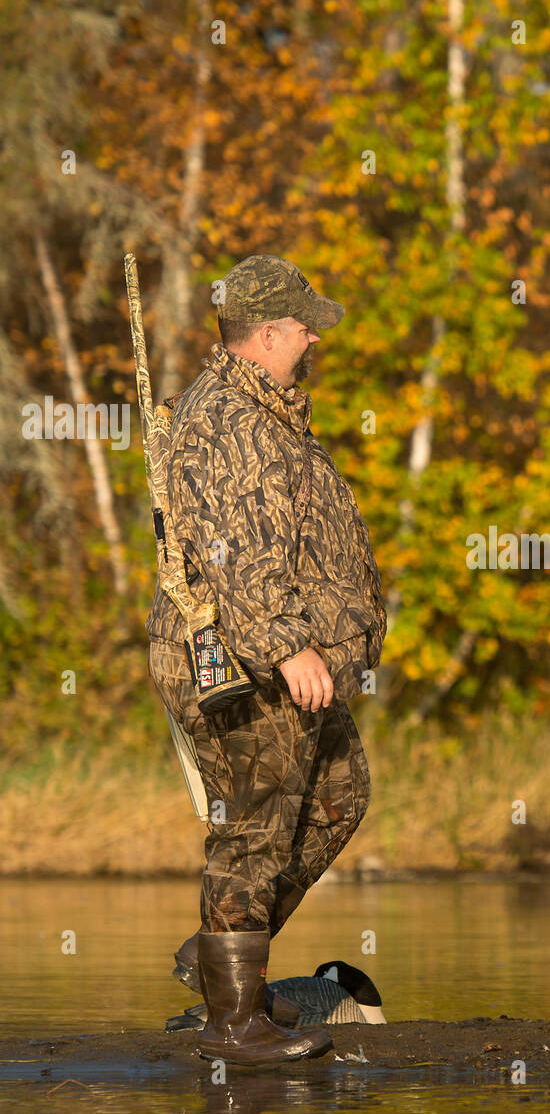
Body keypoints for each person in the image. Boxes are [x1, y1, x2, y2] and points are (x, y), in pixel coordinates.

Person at [146, 255, 386, 1064]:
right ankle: (233, 1022)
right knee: (254, 826)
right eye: (305, 324)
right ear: (271, 333)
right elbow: (234, 550)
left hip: (282, 654)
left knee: (339, 796)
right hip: (246, 659)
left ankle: (220, 962)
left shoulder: (267, 410)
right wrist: (287, 645)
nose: (316, 335)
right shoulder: (230, 419)